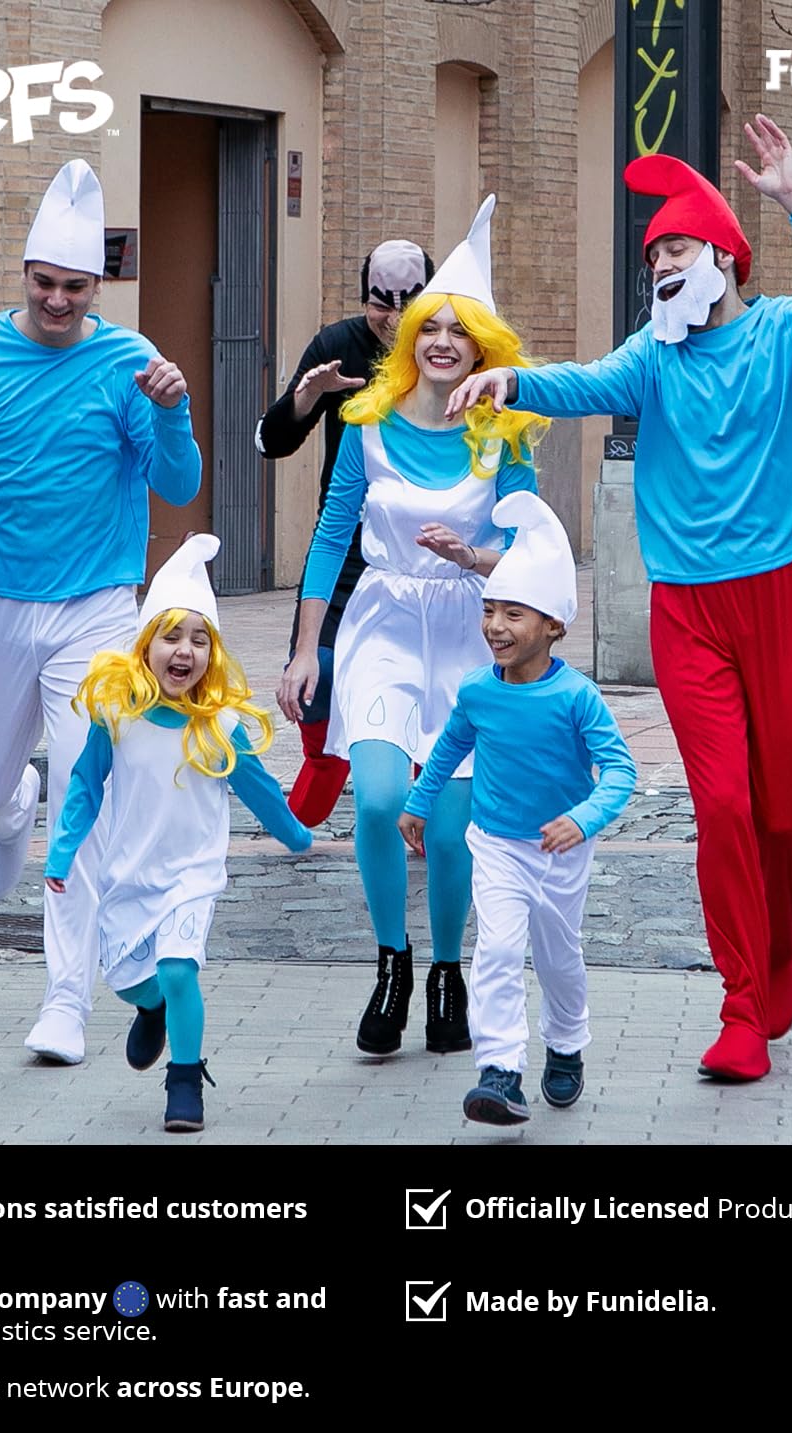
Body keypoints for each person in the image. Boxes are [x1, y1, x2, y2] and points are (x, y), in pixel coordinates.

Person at [447, 115, 792, 1083]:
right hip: (686, 609)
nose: (661, 269)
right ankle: (740, 1003)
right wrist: (511, 379)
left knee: (778, 814)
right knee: (722, 805)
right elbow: (583, 383)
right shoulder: (653, 356)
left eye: (675, 250)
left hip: (779, 598)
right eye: (652, 259)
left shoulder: (789, 336)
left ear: (723, 256)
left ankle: (775, 954)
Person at [0, 159, 203, 1067]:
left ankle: (66, 1002)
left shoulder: (129, 362)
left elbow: (176, 482)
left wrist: (175, 413)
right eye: (45, 283)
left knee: (86, 800)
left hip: (97, 610)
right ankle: (5, 811)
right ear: (24, 275)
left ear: (98, 285)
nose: (59, 301)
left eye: (76, 286)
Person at [276, 197, 549, 1060]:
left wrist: (476, 557)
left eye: (458, 331)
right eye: (427, 326)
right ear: (407, 340)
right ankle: (392, 961)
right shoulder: (367, 423)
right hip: (383, 623)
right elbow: (331, 535)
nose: (440, 341)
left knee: (455, 823)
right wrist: (304, 652)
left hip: (471, 635)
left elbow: (529, 547)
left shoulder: (503, 437)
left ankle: (447, 972)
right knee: (382, 798)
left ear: (481, 349)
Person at [43, 535, 312, 1132]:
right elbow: (85, 786)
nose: (184, 650)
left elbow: (259, 788)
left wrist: (294, 832)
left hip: (192, 874)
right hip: (129, 874)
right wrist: (61, 854)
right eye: (170, 636)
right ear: (145, 647)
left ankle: (185, 1080)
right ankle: (152, 1010)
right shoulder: (116, 716)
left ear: (211, 654)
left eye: (199, 639)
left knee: (178, 968)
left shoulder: (219, 725)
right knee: (130, 981)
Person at [398, 492, 636, 1125]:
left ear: (553, 625)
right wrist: (419, 801)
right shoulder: (478, 690)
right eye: (488, 610)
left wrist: (582, 819)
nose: (495, 626)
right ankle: (500, 1069)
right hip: (497, 843)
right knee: (498, 950)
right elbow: (449, 747)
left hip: (561, 851)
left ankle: (567, 1041)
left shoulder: (578, 697)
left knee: (558, 958)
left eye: (513, 614)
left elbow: (620, 772)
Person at [256, 239, 434, 826]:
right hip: (347, 541)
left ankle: (426, 802)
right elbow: (271, 442)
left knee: (427, 678)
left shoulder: (447, 345)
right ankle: (320, 774)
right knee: (314, 677)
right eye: (381, 304)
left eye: (410, 304)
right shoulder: (339, 345)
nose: (396, 319)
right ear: (363, 300)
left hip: (425, 547)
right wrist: (308, 394)